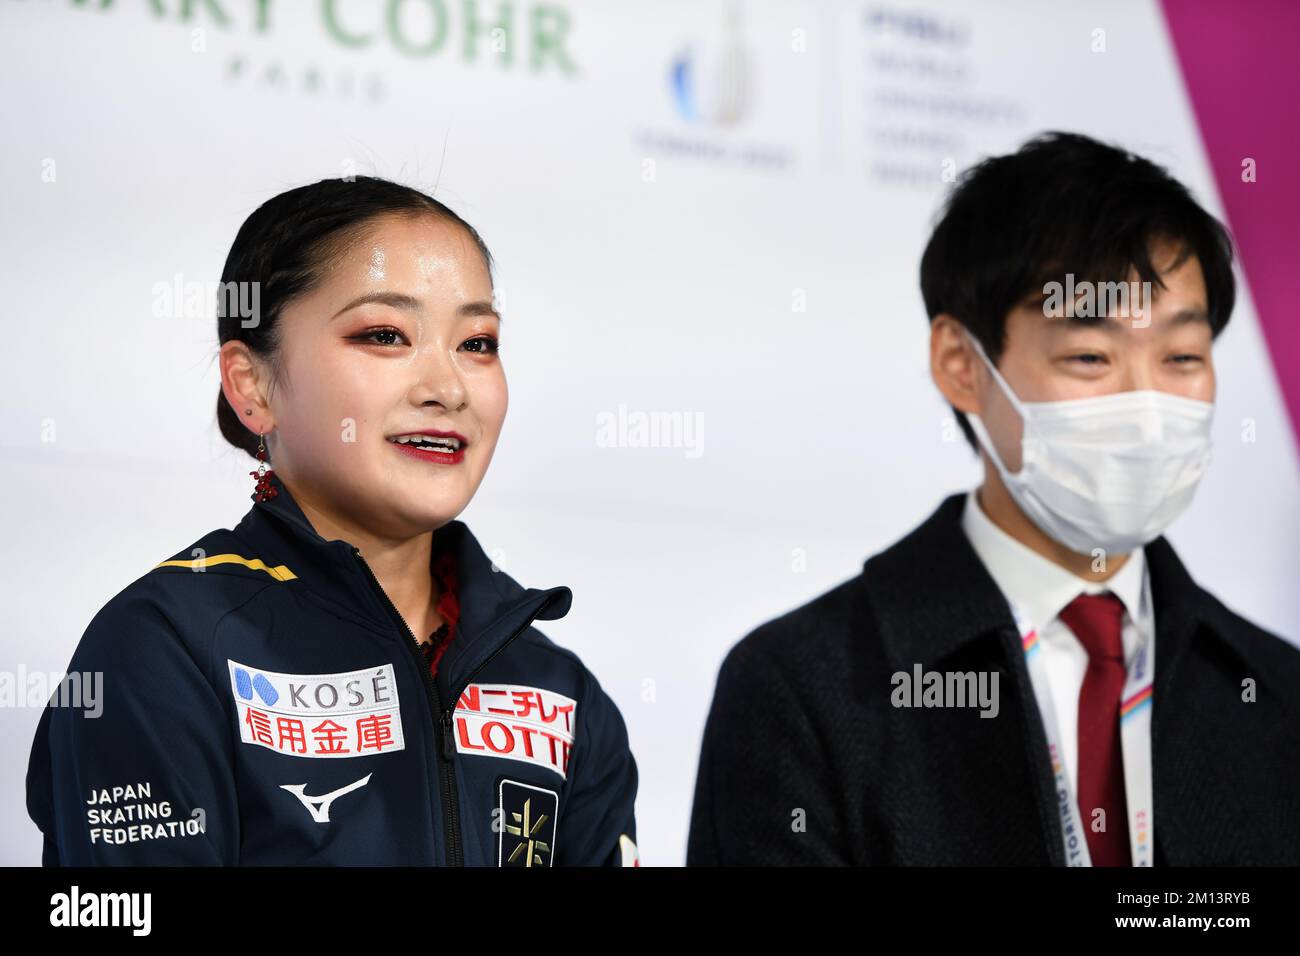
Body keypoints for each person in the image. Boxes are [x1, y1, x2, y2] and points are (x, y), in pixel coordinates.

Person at [686, 131, 1300, 866]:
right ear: (961, 364)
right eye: (1090, 357)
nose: (1146, 407)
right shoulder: (808, 688)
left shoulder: (1275, 693)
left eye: (1182, 358)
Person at [26, 176, 639, 867]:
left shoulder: (559, 690)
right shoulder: (166, 647)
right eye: (385, 334)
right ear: (253, 387)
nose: (447, 387)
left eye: (477, 342)